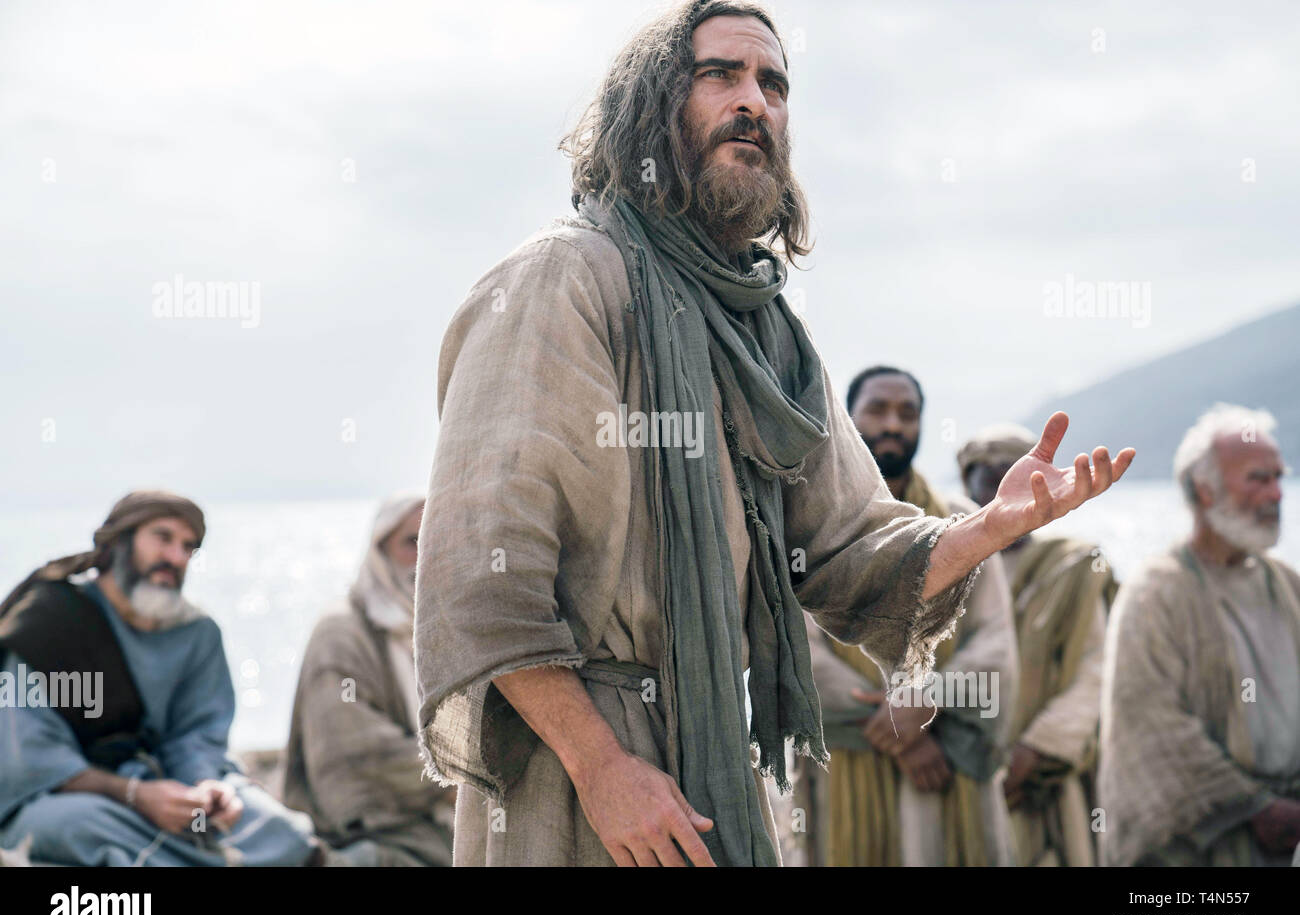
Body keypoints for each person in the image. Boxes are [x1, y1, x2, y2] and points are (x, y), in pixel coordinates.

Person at [415, 0, 1134, 867]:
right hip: (571, 784)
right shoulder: (561, 280)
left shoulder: (766, 330)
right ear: (650, 103)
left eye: (774, 84)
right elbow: (481, 577)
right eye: (721, 73)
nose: (755, 100)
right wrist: (602, 767)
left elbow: (844, 548)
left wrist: (986, 529)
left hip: (716, 761)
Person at [0, 491, 319, 866]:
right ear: (121, 539)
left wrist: (205, 789)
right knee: (79, 825)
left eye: (189, 547)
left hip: (173, 793)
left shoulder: (198, 634)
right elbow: (34, 758)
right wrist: (136, 795)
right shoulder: (49, 623)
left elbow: (197, 736)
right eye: (163, 538)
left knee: (279, 830)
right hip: (75, 798)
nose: (176, 558)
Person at [794, 366, 1018, 866]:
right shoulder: (808, 522)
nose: (893, 424)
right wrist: (895, 727)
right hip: (848, 761)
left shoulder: (966, 522)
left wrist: (925, 701)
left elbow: (996, 642)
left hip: (948, 765)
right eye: (877, 410)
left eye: (907, 413)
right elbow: (797, 650)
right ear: (846, 421)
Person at [1099, 404, 1300, 866]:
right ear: (1205, 491)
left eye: (1278, 476)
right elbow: (1149, 725)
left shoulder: (1286, 584)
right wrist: (1256, 808)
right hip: (1208, 843)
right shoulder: (1158, 590)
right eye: (1257, 478)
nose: (1277, 493)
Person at [960, 423, 1116, 867]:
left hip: (1046, 778)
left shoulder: (1069, 569)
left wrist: (1035, 750)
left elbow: (1096, 672)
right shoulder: (947, 566)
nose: (996, 481)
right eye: (984, 474)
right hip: (956, 771)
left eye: (1008, 470)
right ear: (966, 483)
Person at [284, 492, 455, 865]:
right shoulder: (341, 632)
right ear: (380, 550)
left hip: (436, 818)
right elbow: (354, 752)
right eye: (411, 541)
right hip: (371, 827)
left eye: (435, 537)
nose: (425, 553)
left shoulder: (443, 632)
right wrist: (456, 781)